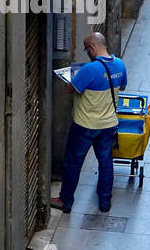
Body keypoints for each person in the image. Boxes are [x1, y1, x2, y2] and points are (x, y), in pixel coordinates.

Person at [51, 32, 127, 214]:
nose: (87, 53)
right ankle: (105, 203)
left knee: (74, 163)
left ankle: (66, 201)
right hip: (108, 124)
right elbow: (122, 86)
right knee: (106, 163)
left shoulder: (89, 69)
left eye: (87, 50)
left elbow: (71, 88)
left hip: (85, 125)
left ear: (93, 48)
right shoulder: (120, 65)